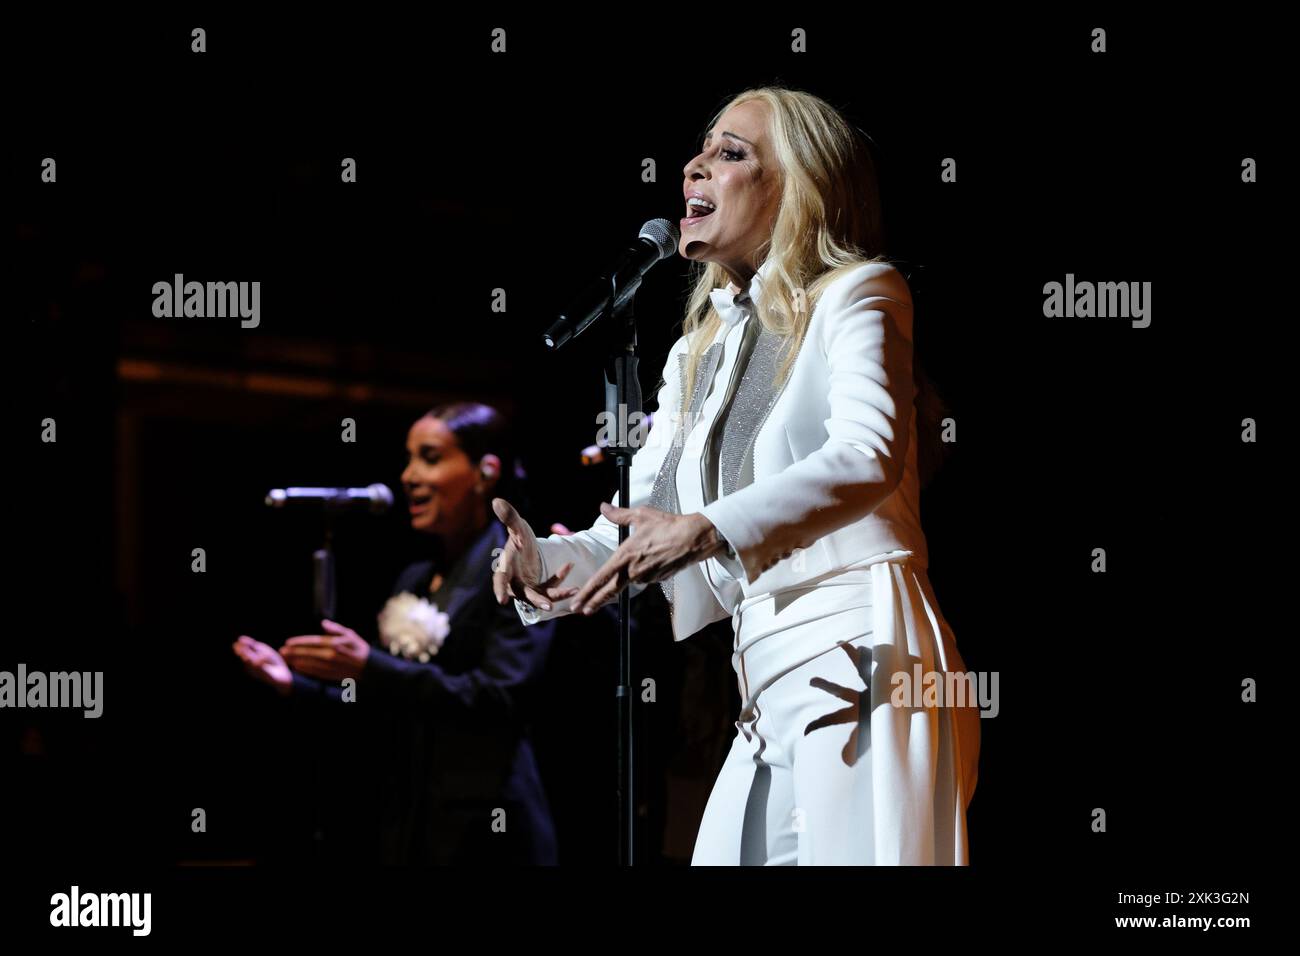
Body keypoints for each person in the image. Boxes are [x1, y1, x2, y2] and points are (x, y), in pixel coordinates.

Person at [491, 86, 980, 865]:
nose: (693, 166)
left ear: (798, 186)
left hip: (860, 647)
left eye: (731, 153)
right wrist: (544, 564)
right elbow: (644, 520)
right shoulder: (698, 352)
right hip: (760, 679)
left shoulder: (858, 293)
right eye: (702, 148)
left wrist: (710, 528)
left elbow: (866, 453)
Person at [234, 402, 559, 865]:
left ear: (485, 473)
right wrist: (299, 687)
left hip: (487, 825)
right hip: (410, 819)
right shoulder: (414, 576)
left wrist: (371, 665)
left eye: (429, 457)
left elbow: (499, 698)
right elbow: (388, 704)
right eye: (408, 458)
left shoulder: (520, 567)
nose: (408, 476)